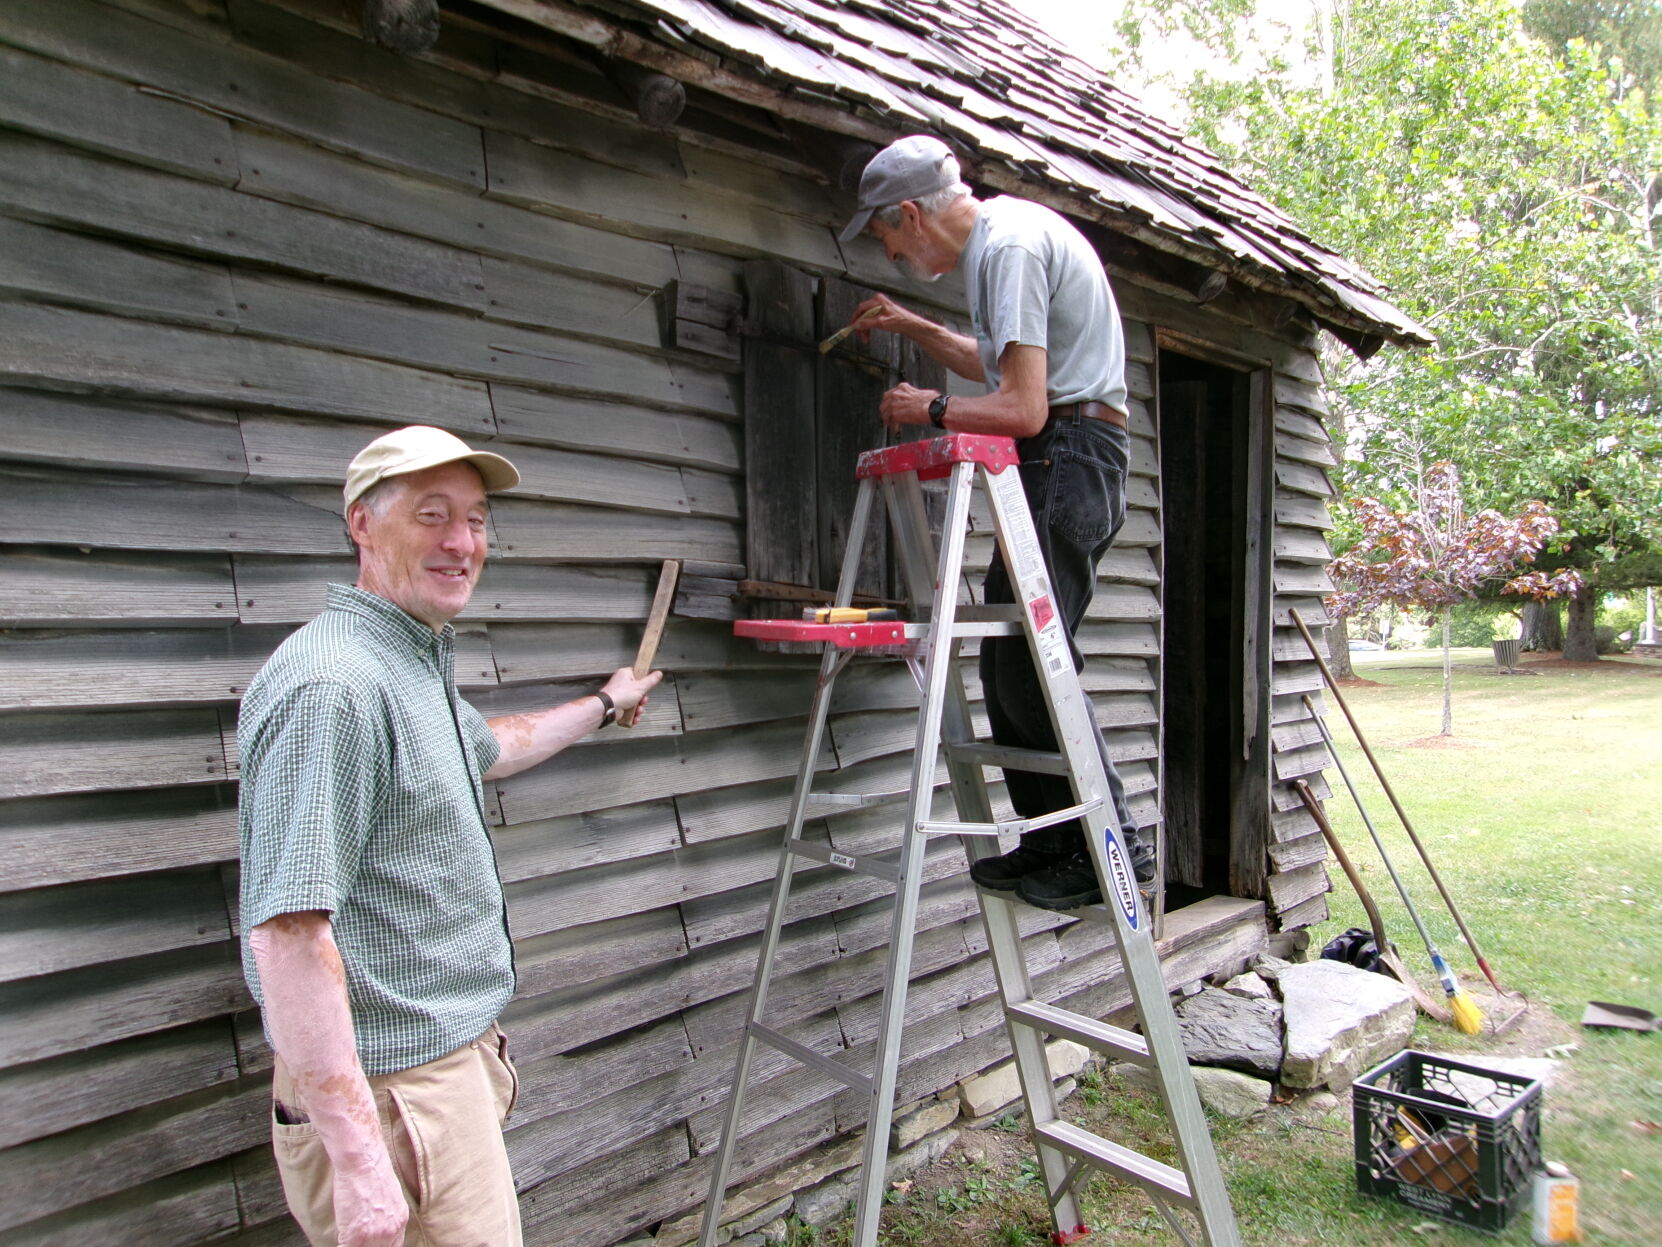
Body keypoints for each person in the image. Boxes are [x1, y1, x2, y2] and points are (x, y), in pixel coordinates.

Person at [238, 425, 662, 1247]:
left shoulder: (405, 657)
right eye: (433, 515)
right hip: (395, 1094)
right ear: (362, 522)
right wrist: (362, 1164)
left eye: (475, 519)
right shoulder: (335, 685)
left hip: (439, 1077)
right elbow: (289, 934)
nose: (462, 542)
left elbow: (491, 746)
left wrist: (606, 702)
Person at [839, 135, 1157, 912]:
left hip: (1068, 454)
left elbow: (1022, 407)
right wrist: (911, 325)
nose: (891, 254)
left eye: (885, 237)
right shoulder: (998, 244)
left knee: (1034, 665)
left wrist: (932, 408)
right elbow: (997, 363)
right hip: (1063, 455)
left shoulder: (1008, 247)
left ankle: (1112, 849)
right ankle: (1051, 838)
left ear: (910, 214)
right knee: (1005, 665)